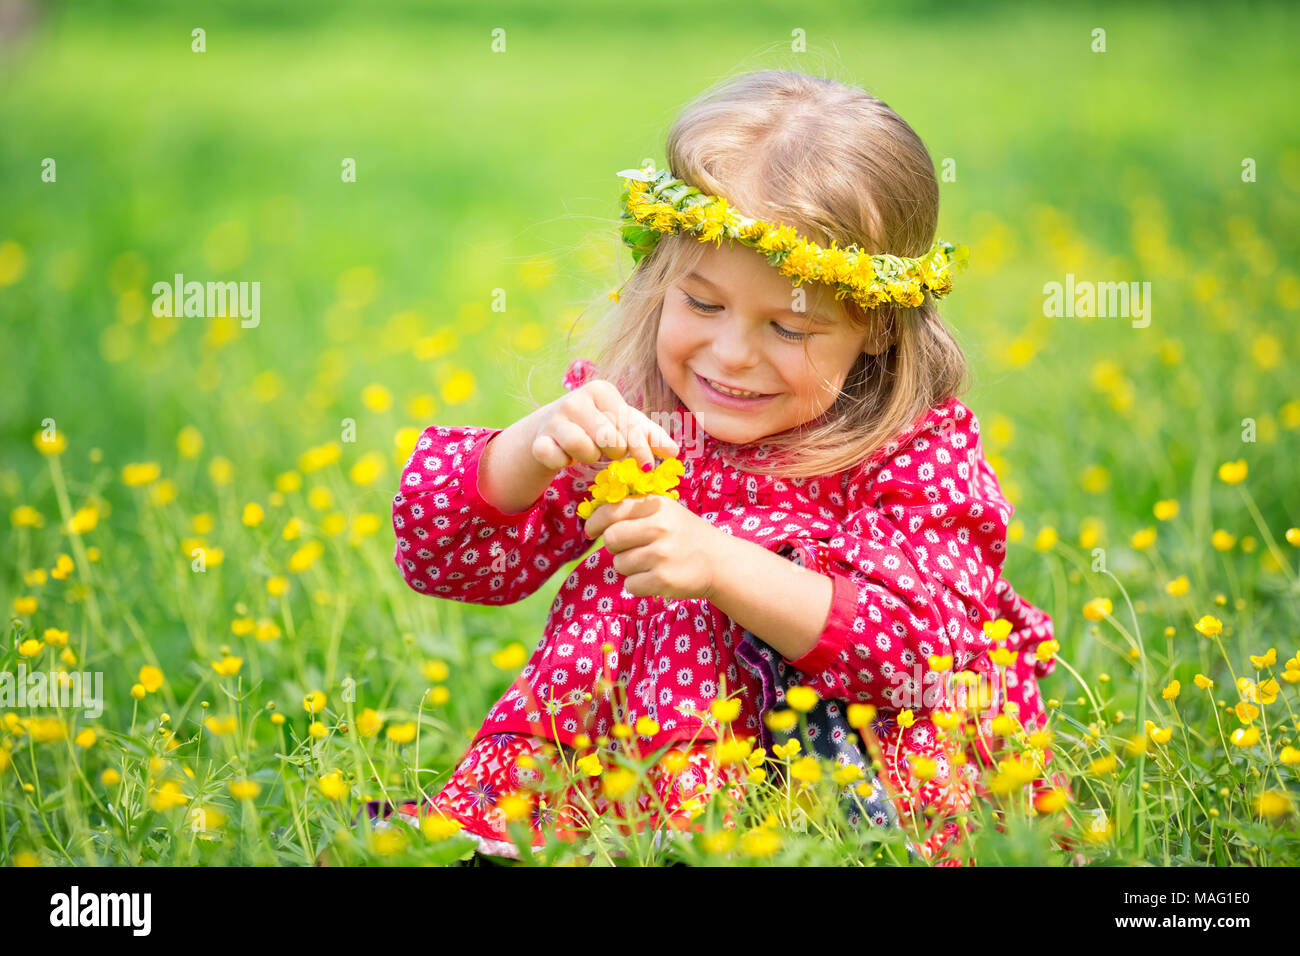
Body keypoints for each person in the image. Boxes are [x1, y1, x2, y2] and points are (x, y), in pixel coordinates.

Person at [387, 69, 1062, 864]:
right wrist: (529, 447)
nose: (732, 354)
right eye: (703, 304)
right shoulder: (634, 418)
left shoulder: (911, 453)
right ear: (659, 275)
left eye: (789, 326)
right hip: (626, 767)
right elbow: (448, 562)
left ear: (877, 327)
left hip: (847, 785)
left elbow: (922, 650)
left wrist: (719, 564)